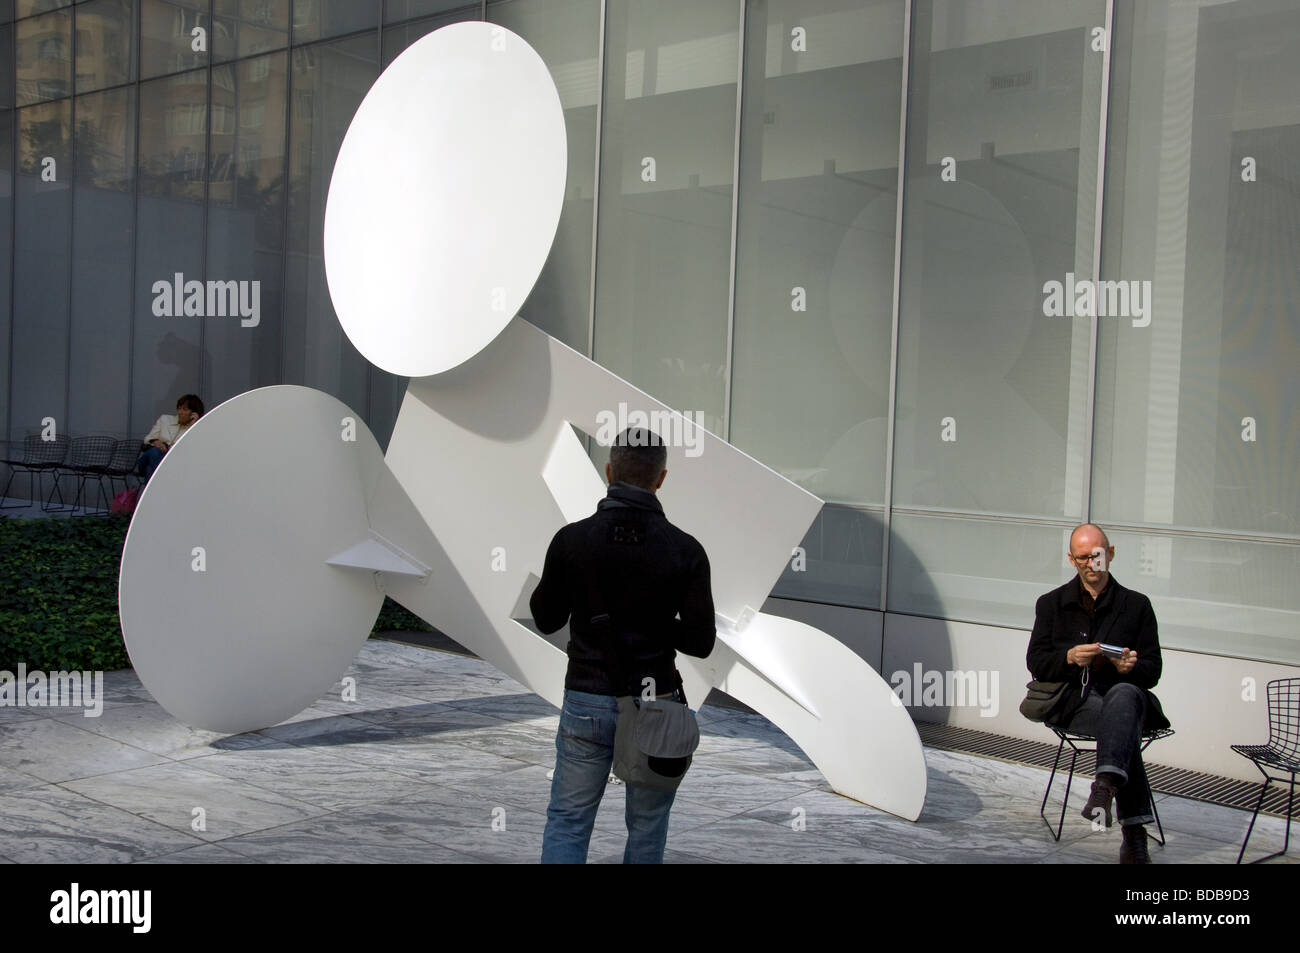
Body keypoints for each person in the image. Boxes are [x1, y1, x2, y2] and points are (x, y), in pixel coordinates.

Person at [531, 426, 716, 864]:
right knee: (648, 828)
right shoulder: (686, 550)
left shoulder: (571, 540)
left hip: (587, 698)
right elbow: (700, 642)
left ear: (609, 471)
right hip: (657, 702)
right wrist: (653, 620)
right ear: (661, 478)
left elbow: (546, 618)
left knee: (569, 820)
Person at [1027, 523, 1170, 864]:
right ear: (1071, 560)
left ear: (1111, 554)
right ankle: (1133, 836)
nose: (1091, 565)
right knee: (1124, 734)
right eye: (1082, 558)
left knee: (1124, 697)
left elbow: (1153, 671)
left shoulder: (1137, 605)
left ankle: (1103, 790)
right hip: (1074, 702)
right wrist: (1069, 657)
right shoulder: (1051, 604)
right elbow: (1036, 662)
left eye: (1097, 556)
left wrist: (1130, 667)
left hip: (1126, 700)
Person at [137, 394, 204, 483]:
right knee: (154, 452)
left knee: (149, 469)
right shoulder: (165, 419)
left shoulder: (193, 429)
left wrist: (193, 425)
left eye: (185, 409)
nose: (180, 412)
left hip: (172, 465)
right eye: (179, 408)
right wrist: (156, 442)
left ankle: (156, 491)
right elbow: (147, 438)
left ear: (193, 413)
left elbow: (195, 449)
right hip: (152, 458)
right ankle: (163, 481)